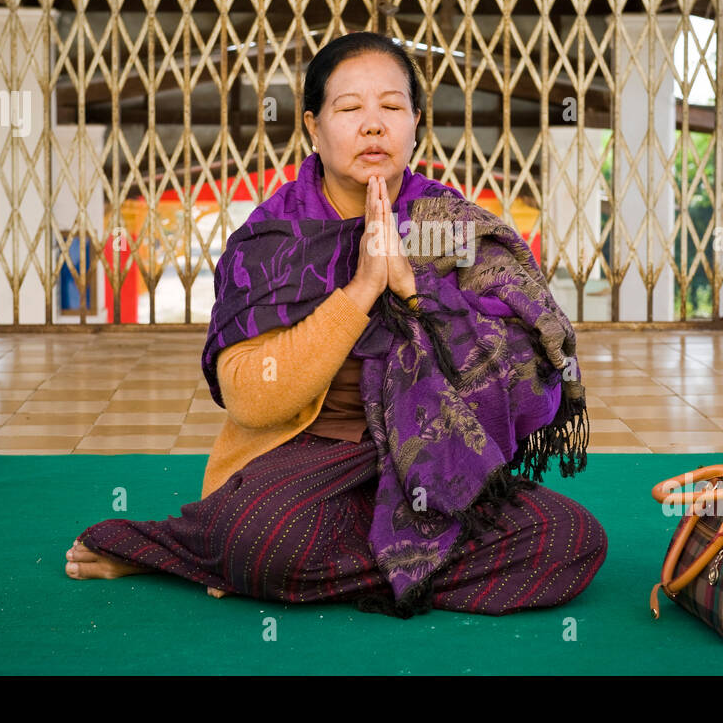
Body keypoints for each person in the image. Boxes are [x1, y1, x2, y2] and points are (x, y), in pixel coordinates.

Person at [65, 31, 606, 617]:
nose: (373, 125)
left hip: (440, 463)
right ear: (313, 128)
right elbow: (250, 398)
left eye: (392, 107)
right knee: (265, 535)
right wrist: (362, 289)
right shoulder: (273, 239)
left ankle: (262, 562)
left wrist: (415, 289)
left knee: (571, 541)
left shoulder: (458, 230)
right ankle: (369, 565)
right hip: (306, 461)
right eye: (349, 109)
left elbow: (536, 398)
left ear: (416, 125)